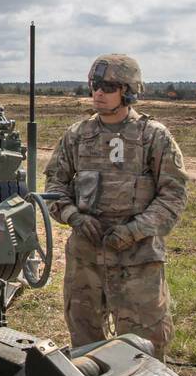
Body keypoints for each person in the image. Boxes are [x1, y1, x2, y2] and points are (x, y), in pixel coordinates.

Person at [43, 54, 187, 359]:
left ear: (129, 90)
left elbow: (173, 196)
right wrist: (74, 217)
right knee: (85, 346)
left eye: (108, 86)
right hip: (86, 259)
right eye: (95, 85)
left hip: (137, 261)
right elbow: (54, 189)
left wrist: (134, 231)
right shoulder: (77, 136)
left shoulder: (153, 137)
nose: (98, 92)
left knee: (144, 349)